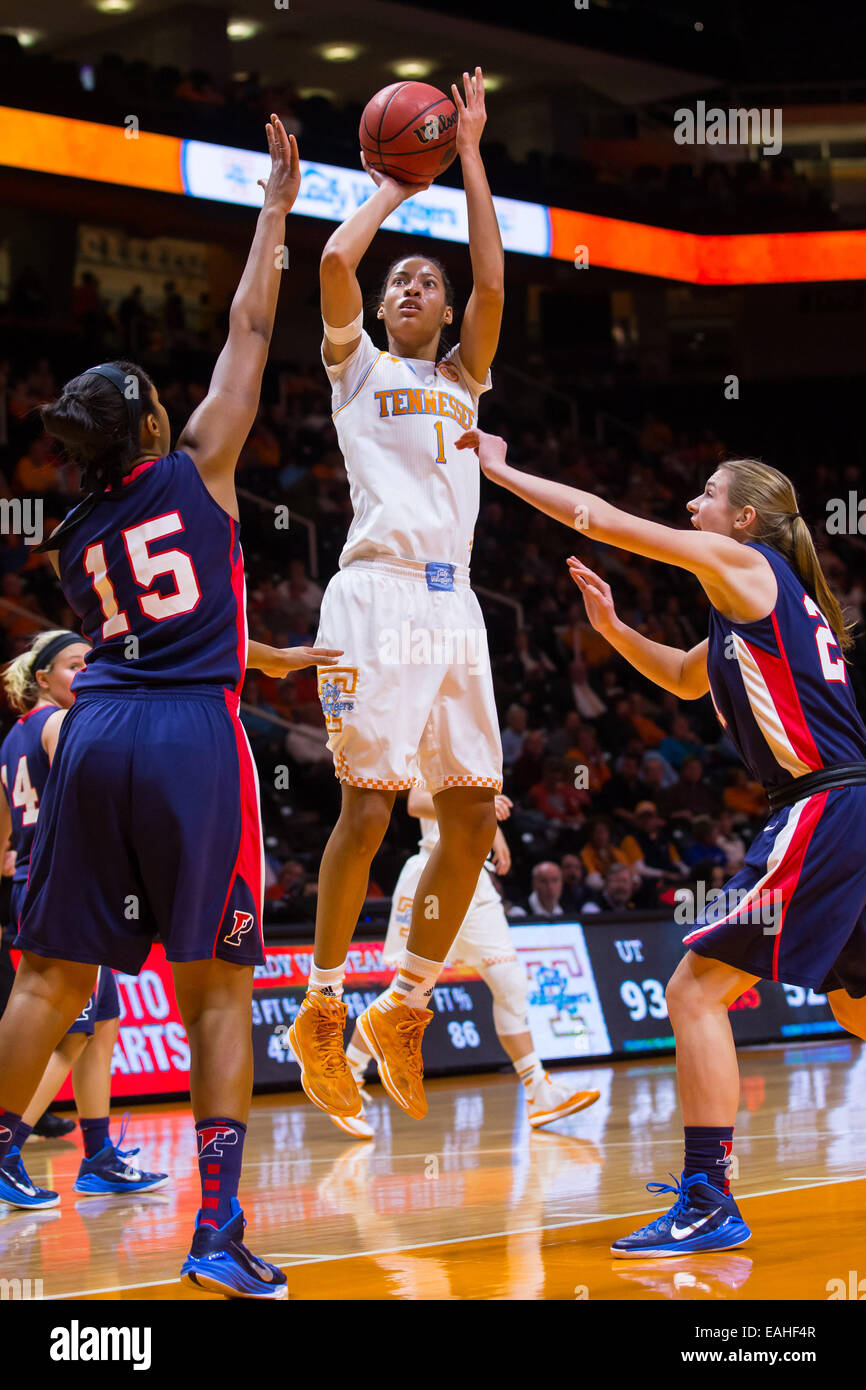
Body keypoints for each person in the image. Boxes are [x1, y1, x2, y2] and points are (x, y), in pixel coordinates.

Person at [0, 116, 339, 1299]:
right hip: (193, 732)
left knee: (48, 978)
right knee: (219, 991)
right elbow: (251, 324)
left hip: (94, 727)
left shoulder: (66, 530)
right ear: (151, 425)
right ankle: (215, 1232)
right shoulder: (200, 461)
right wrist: (274, 208)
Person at [457, 426, 866, 1259]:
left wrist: (500, 469)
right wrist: (610, 631)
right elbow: (684, 678)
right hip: (846, 804)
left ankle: (709, 1197)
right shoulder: (748, 608)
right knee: (856, 1004)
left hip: (826, 806)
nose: (691, 503)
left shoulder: (749, 570)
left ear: (744, 518)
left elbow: (603, 520)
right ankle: (708, 1197)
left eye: (707, 495)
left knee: (691, 991)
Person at [287, 68, 506, 1126]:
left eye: (429, 282)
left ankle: (400, 1006)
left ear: (450, 310)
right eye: (401, 282)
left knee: (468, 814)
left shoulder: (465, 376)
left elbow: (497, 285)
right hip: (373, 598)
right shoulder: (357, 370)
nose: (412, 288)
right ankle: (321, 1006)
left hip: (454, 605)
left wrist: (464, 151)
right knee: (366, 810)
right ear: (380, 306)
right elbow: (331, 255)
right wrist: (387, 182)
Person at [0, 630, 167, 1208]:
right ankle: (6, 1145)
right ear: (42, 677)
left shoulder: (10, 741)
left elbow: (4, 843)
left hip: (35, 884)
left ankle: (98, 1155)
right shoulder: (61, 725)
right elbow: (97, 794)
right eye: (74, 666)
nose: (85, 675)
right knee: (70, 1038)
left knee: (99, 1030)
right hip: (67, 887)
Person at [330, 787, 598, 1139]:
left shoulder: (484, 742)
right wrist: (484, 806)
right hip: (434, 871)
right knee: (411, 992)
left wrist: (494, 831)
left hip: (475, 879)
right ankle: (346, 1076)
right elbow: (417, 803)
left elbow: (475, 801)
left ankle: (538, 1092)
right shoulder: (433, 731)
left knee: (510, 983)